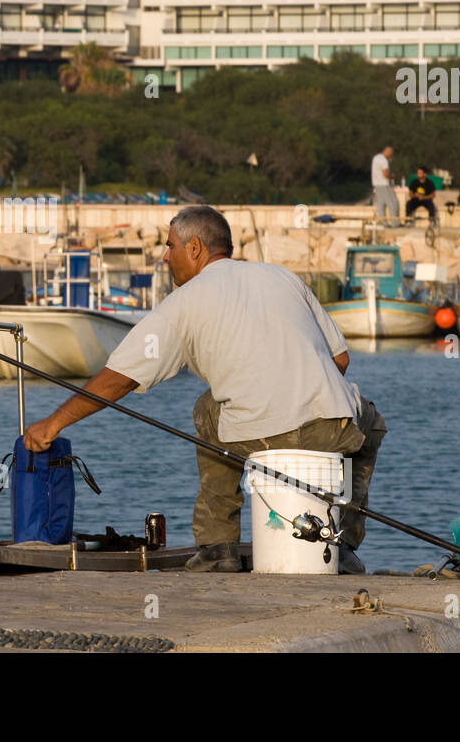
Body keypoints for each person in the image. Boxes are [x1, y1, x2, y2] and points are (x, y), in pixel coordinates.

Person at [22, 206, 387, 574]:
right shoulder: (282, 277)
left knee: (207, 410)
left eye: (169, 246)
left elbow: (121, 376)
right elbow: (340, 359)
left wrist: (52, 425)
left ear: (194, 248)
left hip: (263, 435)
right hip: (334, 426)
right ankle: (344, 547)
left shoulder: (185, 301)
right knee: (370, 423)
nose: (165, 256)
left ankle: (218, 546)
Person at [371, 146, 399, 222]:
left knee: (381, 205)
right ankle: (394, 223)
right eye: (391, 154)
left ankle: (383, 223)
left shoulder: (376, 157)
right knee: (393, 203)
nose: (391, 156)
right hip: (384, 184)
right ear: (388, 152)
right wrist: (392, 176)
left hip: (376, 184)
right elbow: (385, 174)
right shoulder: (383, 160)